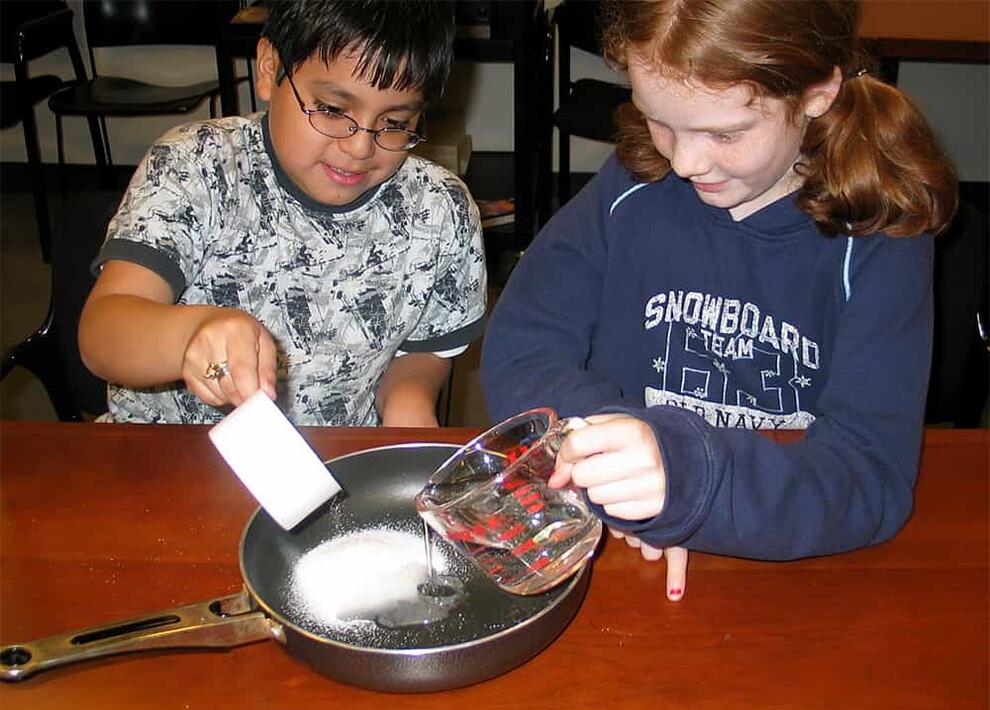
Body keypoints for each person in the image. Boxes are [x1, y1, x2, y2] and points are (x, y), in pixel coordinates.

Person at [480, 0, 956, 600]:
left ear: (817, 92)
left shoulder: (880, 236)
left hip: (783, 571)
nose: (684, 162)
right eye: (657, 119)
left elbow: (868, 478)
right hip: (627, 549)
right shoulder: (632, 186)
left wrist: (688, 484)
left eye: (724, 134)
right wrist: (620, 467)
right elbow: (520, 349)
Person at [79, 0, 486, 426]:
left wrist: (407, 406)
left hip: (334, 456)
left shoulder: (440, 211)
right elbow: (102, 332)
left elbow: (421, 354)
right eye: (332, 110)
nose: (360, 147)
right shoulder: (197, 165)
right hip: (159, 448)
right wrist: (190, 336)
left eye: (395, 123)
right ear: (269, 68)